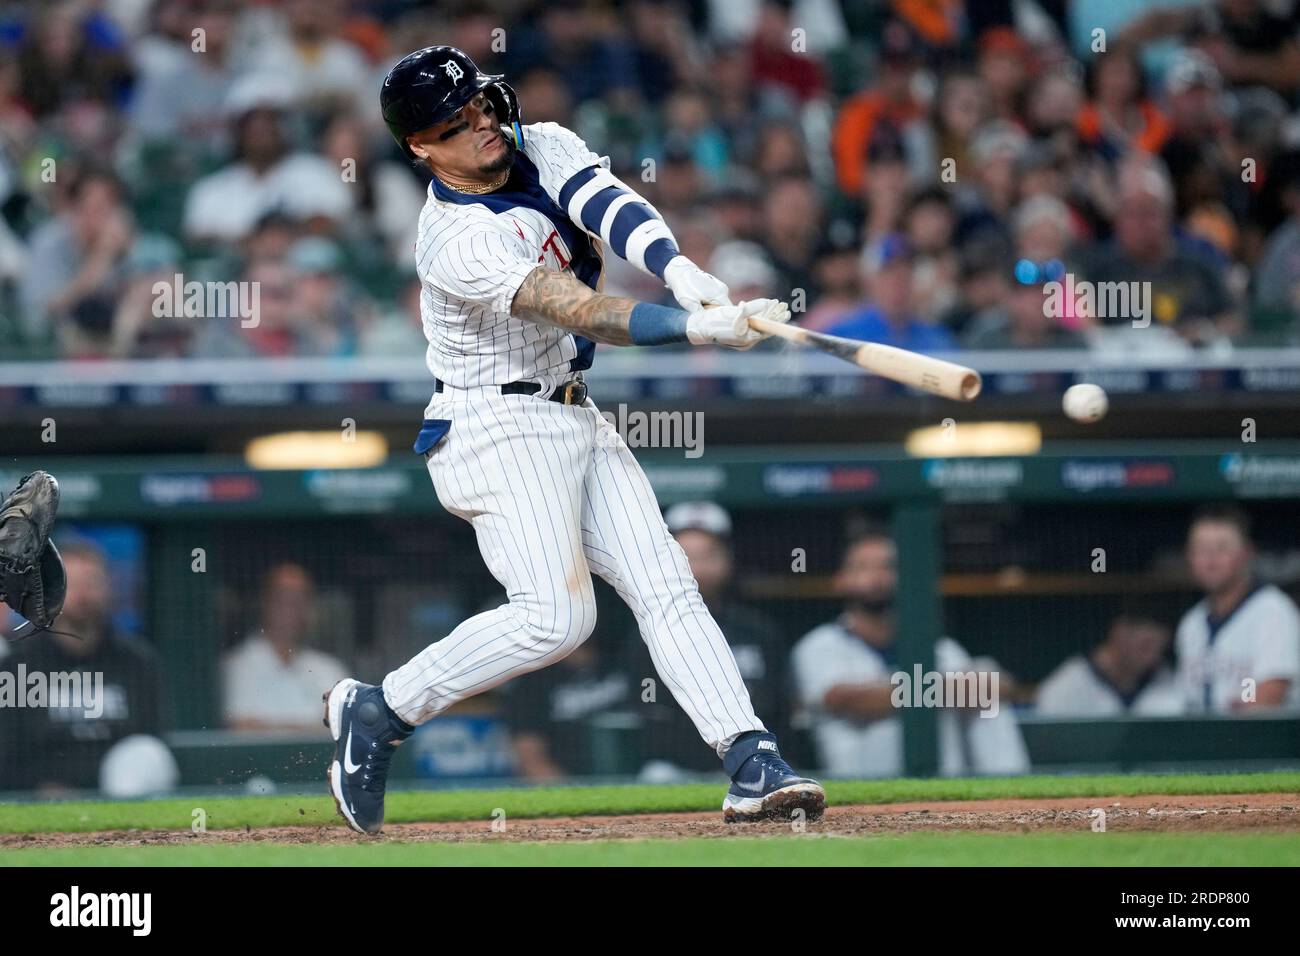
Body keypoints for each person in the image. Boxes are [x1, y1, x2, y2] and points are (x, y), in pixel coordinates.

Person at [323, 46, 822, 835]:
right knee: (557, 621)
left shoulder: (540, 141)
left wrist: (680, 270)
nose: (484, 123)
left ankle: (751, 759)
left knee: (667, 582)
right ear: (420, 146)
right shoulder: (455, 239)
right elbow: (576, 307)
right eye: (458, 122)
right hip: (495, 425)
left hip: (571, 409)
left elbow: (610, 206)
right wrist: (694, 327)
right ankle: (380, 709)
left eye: (484, 103)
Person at [791, 527, 1029, 778]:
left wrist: (935, 690)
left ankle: (1013, 798)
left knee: (989, 706)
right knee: (898, 717)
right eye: (862, 567)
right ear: (840, 580)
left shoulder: (936, 646)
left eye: (887, 566)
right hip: (863, 780)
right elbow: (845, 700)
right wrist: (939, 690)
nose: (877, 576)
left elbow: (1005, 687)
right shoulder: (819, 645)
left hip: (946, 777)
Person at [629, 502, 793, 776]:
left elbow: (780, 706)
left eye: (709, 555)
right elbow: (644, 711)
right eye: (686, 556)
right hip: (673, 768)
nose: (698, 568)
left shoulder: (759, 630)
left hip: (747, 758)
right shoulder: (645, 634)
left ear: (728, 559)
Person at [0, 540, 164, 794]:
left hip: (121, 793)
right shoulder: (18, 664)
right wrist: (40, 787)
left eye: (91, 584)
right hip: (43, 799)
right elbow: (8, 751)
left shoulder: (137, 660)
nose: (83, 595)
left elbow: (151, 740)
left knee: (146, 753)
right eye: (71, 584)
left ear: (108, 588)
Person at [1175, 506, 1300, 713]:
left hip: (1259, 741)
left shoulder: (1271, 612)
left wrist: (1244, 699)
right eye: (1201, 550)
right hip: (1203, 741)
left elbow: (1268, 692)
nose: (1210, 561)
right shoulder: (1191, 623)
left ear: (1246, 553)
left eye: (1222, 549)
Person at [222, 563, 348, 732]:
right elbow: (240, 728)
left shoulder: (329, 668)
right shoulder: (236, 666)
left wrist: (269, 727)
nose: (291, 609)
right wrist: (313, 729)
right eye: (283, 599)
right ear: (264, 603)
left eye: (300, 600)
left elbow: (346, 727)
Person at [1036, 611, 1184, 716]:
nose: (1152, 658)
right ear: (1119, 634)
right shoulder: (1065, 688)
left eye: (1159, 650)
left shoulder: (1163, 677)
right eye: (1145, 647)